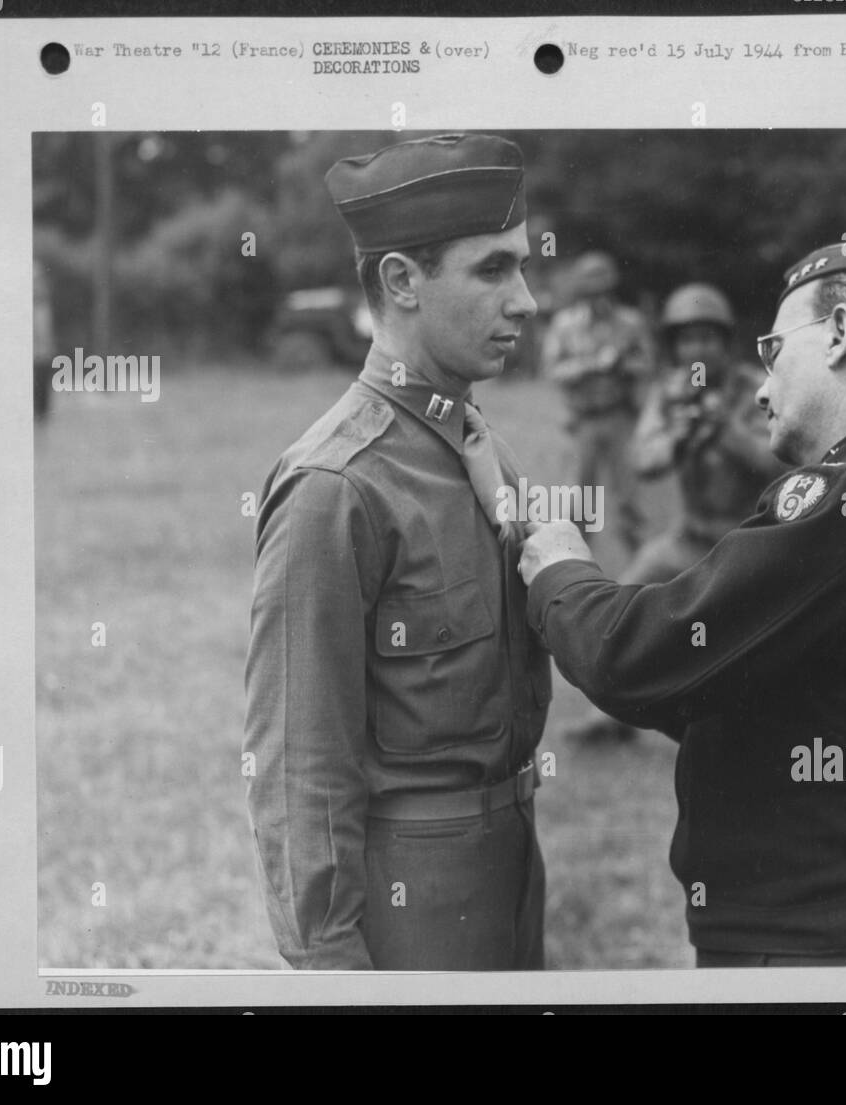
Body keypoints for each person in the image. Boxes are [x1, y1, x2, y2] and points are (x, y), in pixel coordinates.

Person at [519, 239, 846, 967]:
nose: (759, 385)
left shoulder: (844, 503)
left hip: (810, 948)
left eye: (776, 350)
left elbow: (635, 658)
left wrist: (560, 570)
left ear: (841, 334)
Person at [244, 133, 550, 971]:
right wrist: (333, 972)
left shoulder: (482, 447)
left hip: (513, 865)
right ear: (401, 282)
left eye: (521, 266)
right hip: (411, 898)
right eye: (493, 270)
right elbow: (300, 768)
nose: (525, 300)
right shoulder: (337, 486)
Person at [565, 282, 788, 743]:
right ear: (675, 347)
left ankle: (756, 729)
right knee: (623, 606)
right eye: (688, 339)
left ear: (726, 343)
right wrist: (679, 438)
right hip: (690, 538)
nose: (698, 349)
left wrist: (723, 429)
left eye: (708, 338)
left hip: (748, 541)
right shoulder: (670, 393)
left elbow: (776, 460)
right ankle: (615, 714)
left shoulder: (755, 388)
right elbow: (643, 460)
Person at [539, 251, 655, 555]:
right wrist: (592, 364)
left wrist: (622, 364)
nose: (598, 297)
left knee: (628, 496)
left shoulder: (629, 321)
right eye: (592, 291)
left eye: (603, 290)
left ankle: (639, 564)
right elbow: (552, 370)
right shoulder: (565, 324)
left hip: (619, 416)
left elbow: (647, 363)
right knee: (579, 499)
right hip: (583, 420)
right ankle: (576, 564)